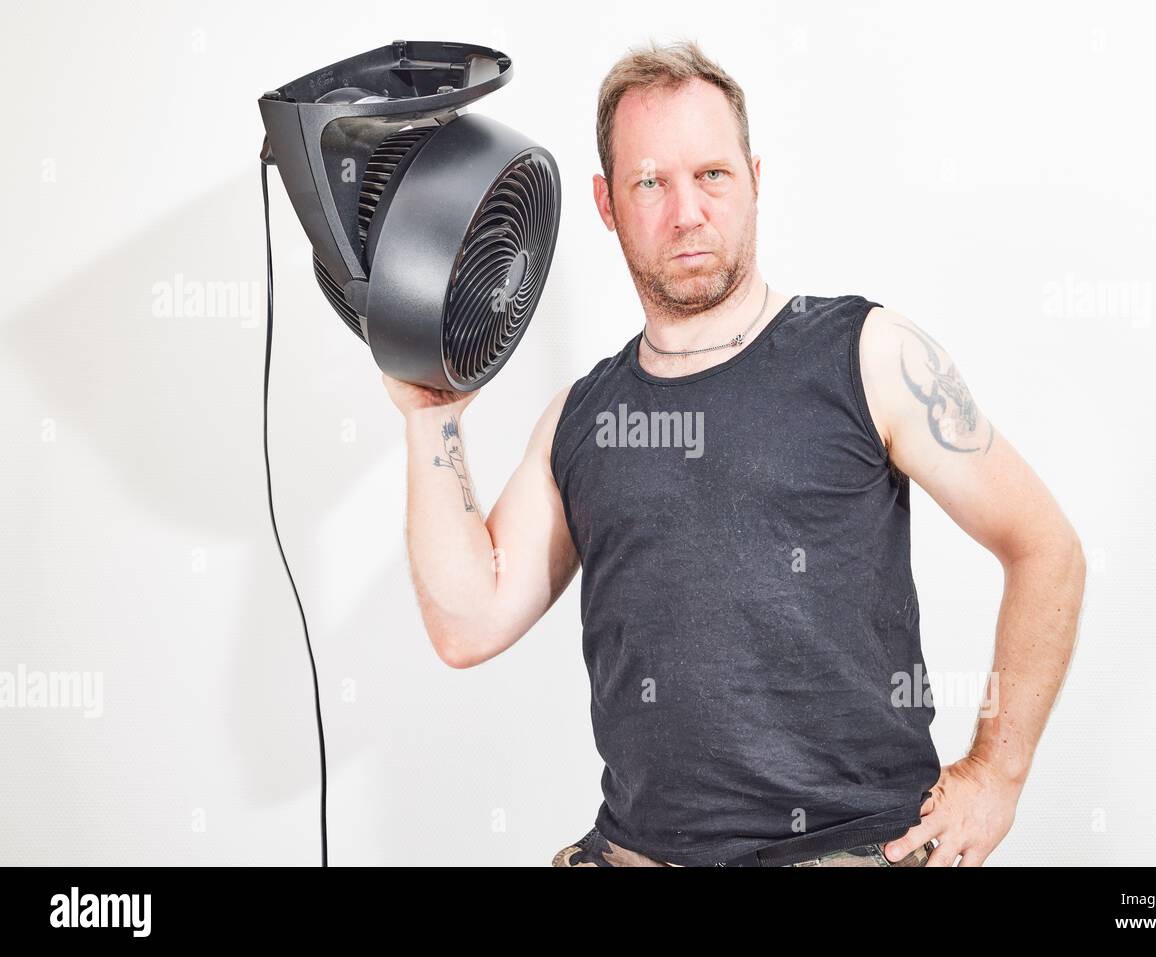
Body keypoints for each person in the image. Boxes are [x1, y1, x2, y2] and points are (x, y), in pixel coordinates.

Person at [382, 39, 1086, 867]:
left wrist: (996, 775)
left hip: (852, 848)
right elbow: (468, 623)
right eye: (652, 182)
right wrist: (432, 417)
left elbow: (1046, 549)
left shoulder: (866, 354)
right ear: (608, 204)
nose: (686, 212)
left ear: (754, 178)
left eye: (711, 175)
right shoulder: (582, 416)